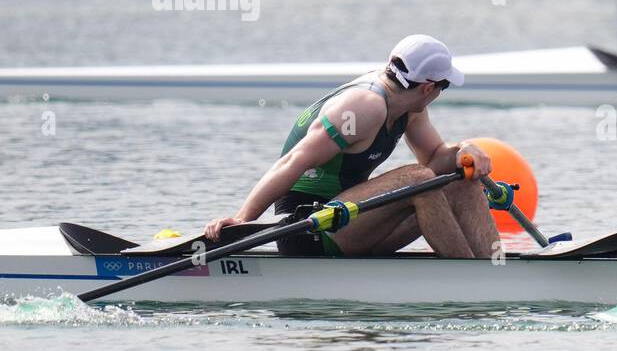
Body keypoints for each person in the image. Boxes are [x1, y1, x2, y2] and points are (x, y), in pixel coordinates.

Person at [204, 36, 497, 258]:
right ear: (428, 87)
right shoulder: (363, 107)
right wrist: (243, 220)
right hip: (308, 226)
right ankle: (471, 281)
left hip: (352, 220)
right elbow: (294, 161)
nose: (439, 94)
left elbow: (435, 157)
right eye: (443, 88)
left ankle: (494, 272)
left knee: (463, 181)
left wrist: (464, 149)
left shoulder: (410, 107)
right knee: (417, 178)